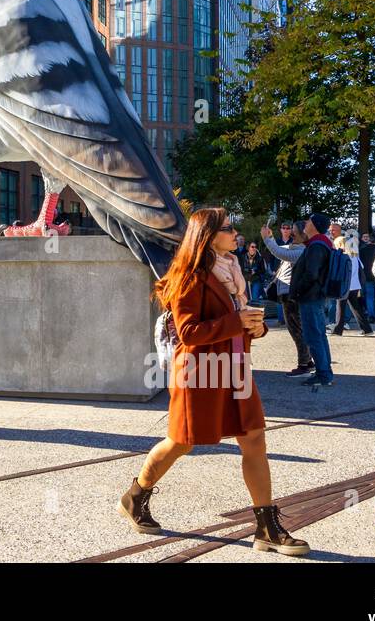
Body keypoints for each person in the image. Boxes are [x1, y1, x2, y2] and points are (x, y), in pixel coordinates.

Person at [118, 208, 308, 556]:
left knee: (253, 439)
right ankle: (135, 496)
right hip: (199, 372)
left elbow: (238, 322)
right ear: (207, 235)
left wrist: (256, 327)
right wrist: (237, 322)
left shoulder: (232, 271)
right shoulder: (189, 277)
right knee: (181, 442)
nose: (235, 234)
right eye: (228, 228)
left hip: (234, 367)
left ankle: (266, 527)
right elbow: (189, 333)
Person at [288, 212, 337, 387]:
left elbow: (311, 274)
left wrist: (298, 291)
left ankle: (323, 374)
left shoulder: (316, 245)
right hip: (316, 296)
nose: (306, 223)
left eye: (308, 221)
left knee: (313, 336)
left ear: (314, 225)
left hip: (310, 296)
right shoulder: (321, 243)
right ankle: (325, 371)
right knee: (319, 335)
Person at [261, 222, 313, 376]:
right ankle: (307, 361)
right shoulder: (295, 248)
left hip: (291, 295)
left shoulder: (301, 251)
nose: (291, 234)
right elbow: (280, 249)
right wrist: (270, 237)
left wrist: (266, 238)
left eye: (294, 232)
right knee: (296, 328)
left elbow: (279, 252)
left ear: (304, 235)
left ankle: (304, 364)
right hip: (288, 294)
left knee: (296, 329)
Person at [331, 236, 374, 336]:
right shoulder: (355, 256)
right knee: (356, 307)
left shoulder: (342, 256)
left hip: (344, 285)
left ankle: (338, 330)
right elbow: (361, 267)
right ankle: (367, 329)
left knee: (340, 307)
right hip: (355, 285)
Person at [360, 232, 375, 320]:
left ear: (370, 239)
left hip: (367, 275)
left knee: (369, 296)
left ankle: (371, 314)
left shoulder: (363, 249)